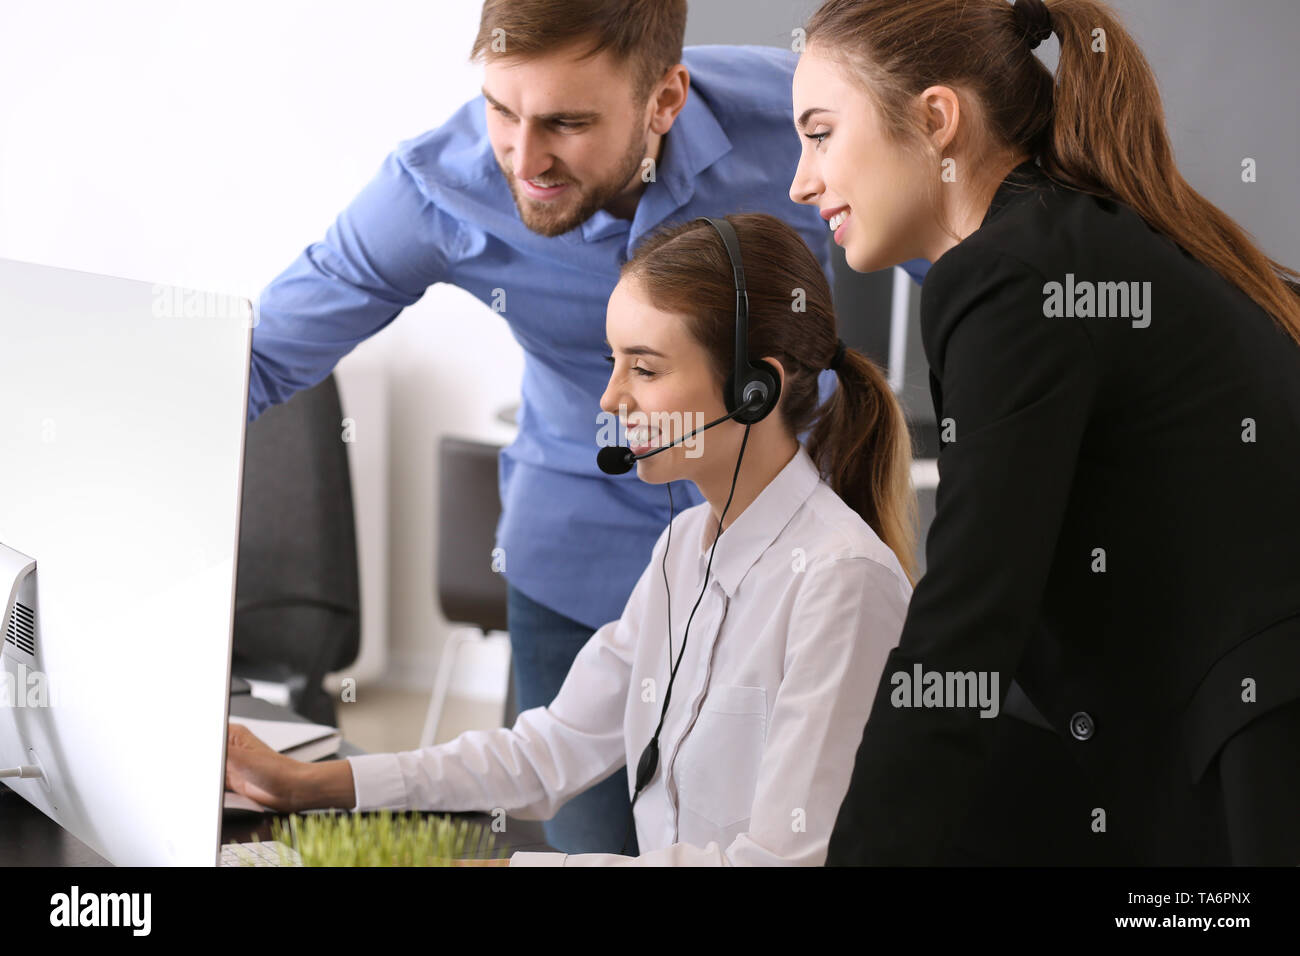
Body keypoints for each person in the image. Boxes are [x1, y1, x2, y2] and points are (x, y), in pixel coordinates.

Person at [243, 0, 928, 855]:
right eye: (500, 111)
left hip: (790, 548)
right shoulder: (684, 553)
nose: (522, 160)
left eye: (566, 122)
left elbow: (971, 252)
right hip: (581, 552)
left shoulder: (802, 116)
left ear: (663, 100)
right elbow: (548, 754)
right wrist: (316, 782)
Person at [786, 0, 1300, 865]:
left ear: (937, 118)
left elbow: (969, 624)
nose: (802, 181)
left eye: (822, 134)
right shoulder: (1067, 239)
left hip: (1256, 766)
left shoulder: (1010, 277)